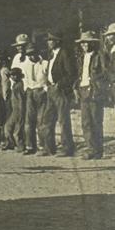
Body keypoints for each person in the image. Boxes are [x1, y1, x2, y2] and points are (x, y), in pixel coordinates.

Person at [38, 32, 76, 157]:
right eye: (48, 40)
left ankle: (67, 148)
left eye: (51, 40)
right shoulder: (51, 55)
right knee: (48, 119)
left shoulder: (64, 54)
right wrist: (48, 85)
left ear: (57, 41)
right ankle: (49, 148)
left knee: (63, 120)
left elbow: (71, 74)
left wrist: (59, 85)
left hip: (60, 91)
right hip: (51, 90)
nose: (48, 42)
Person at [74, 31, 107, 160]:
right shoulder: (81, 57)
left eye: (87, 43)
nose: (85, 46)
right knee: (86, 122)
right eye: (83, 43)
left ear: (93, 43)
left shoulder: (99, 56)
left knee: (96, 121)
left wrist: (96, 85)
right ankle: (90, 148)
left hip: (94, 91)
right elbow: (80, 74)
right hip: (83, 90)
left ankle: (98, 150)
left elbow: (105, 74)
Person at [23, 45, 48, 155]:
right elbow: (25, 79)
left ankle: (42, 146)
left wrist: (45, 89)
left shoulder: (44, 63)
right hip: (30, 92)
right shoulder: (27, 64)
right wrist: (27, 90)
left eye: (33, 54)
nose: (31, 56)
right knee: (29, 121)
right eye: (29, 55)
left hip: (41, 91)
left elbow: (49, 77)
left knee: (41, 120)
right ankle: (30, 146)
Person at [3, 67, 26, 151]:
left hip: (19, 110)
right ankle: (10, 143)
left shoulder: (19, 85)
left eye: (15, 75)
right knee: (8, 127)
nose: (13, 77)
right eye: (11, 75)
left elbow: (20, 99)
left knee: (18, 130)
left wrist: (21, 111)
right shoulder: (15, 85)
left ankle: (21, 146)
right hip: (14, 110)